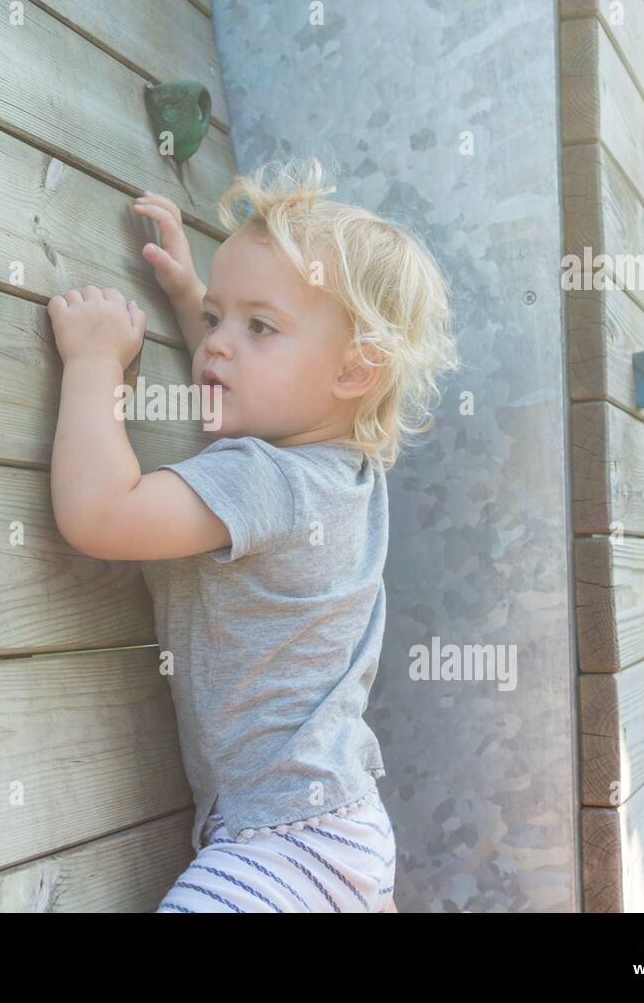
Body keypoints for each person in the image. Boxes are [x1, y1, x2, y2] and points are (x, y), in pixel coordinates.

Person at [46, 157, 458, 912]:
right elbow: (249, 388)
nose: (216, 346)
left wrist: (95, 360)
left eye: (257, 324)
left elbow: (101, 514)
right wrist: (188, 298)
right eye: (215, 322)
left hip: (286, 842)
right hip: (341, 834)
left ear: (354, 371)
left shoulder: (266, 478)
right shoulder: (344, 468)